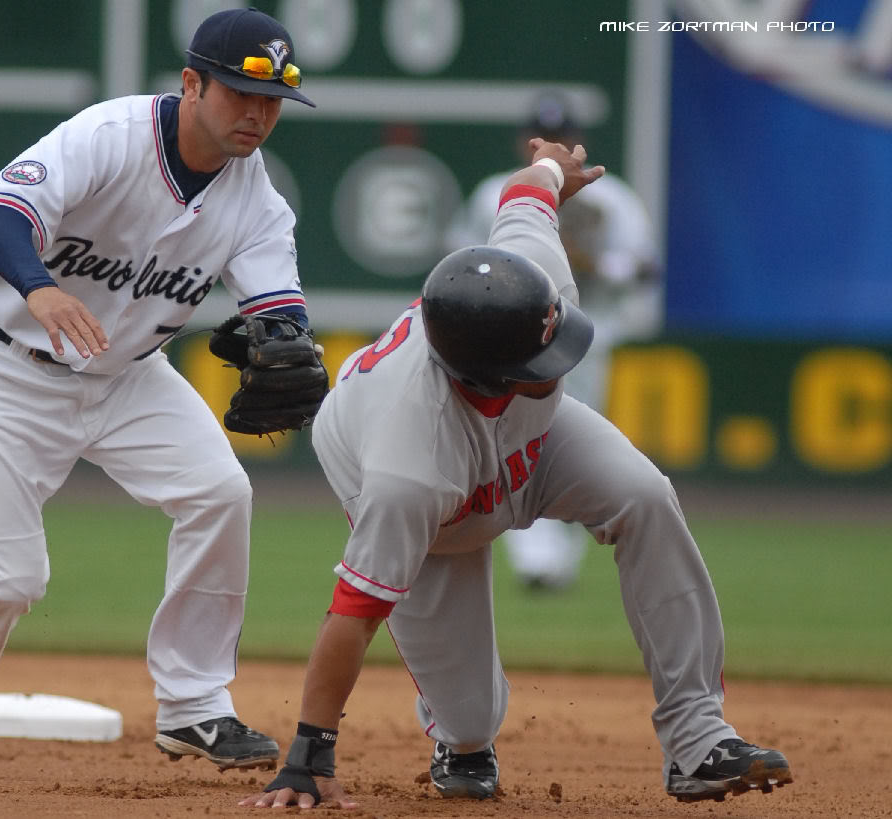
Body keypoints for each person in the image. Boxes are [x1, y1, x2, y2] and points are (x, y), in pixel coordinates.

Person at [240, 139, 793, 808]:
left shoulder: (530, 277)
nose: (558, 365)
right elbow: (352, 616)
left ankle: (699, 739)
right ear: (486, 375)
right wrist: (308, 754)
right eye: (539, 363)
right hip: (440, 506)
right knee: (473, 721)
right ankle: (462, 742)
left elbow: (527, 190)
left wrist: (554, 163)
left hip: (533, 442)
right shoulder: (408, 467)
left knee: (646, 494)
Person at [0, 7, 321, 778]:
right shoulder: (111, 135)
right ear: (192, 83)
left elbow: (280, 309)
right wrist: (38, 287)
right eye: (240, 93)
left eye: (271, 101)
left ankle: (194, 707)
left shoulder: (257, 200)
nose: (257, 114)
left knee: (219, 493)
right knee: (10, 578)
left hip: (126, 374)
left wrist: (289, 339)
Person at [446, 89, 662, 592]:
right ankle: (536, 560)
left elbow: (648, 268)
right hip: (513, 343)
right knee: (520, 445)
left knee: (578, 445)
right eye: (543, 135)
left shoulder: (611, 197)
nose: (552, 144)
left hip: (587, 339)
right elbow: (458, 262)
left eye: (562, 135)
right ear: (525, 141)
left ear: (579, 141)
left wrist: (602, 264)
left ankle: (558, 558)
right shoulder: (495, 193)